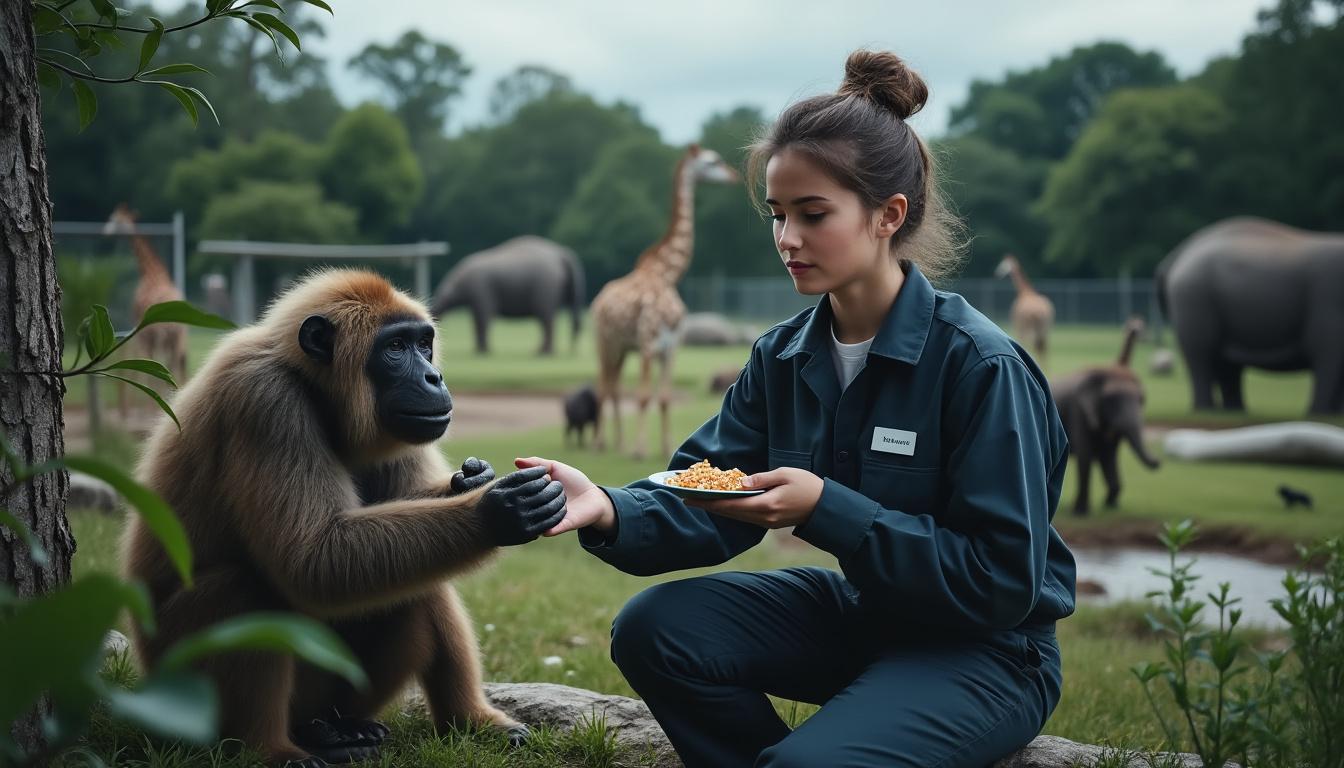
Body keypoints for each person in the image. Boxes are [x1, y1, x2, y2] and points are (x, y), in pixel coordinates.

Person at [518, 50, 1076, 768]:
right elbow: (708, 481)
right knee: (655, 629)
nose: (787, 239)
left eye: (813, 215)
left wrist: (825, 508)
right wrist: (607, 507)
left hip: (991, 652)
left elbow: (1000, 582)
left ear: (888, 215)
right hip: (869, 617)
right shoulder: (782, 357)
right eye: (778, 215)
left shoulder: (980, 366)